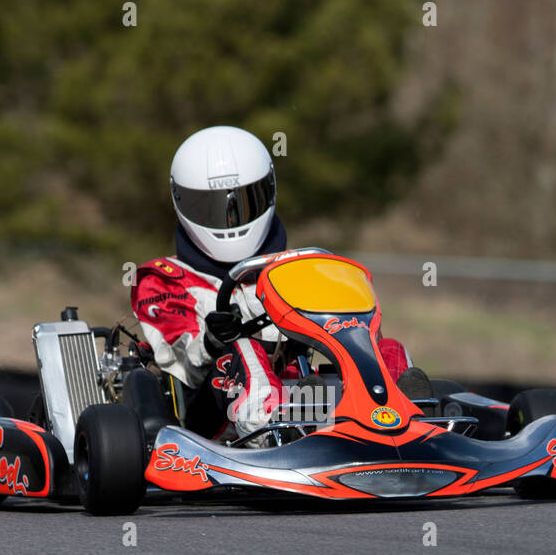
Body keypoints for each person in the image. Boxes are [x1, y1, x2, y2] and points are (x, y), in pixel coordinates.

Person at [131, 125, 414, 441]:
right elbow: (182, 363)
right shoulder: (162, 280)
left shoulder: (300, 268)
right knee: (243, 346)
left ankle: (409, 418)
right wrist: (211, 340)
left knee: (384, 349)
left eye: (245, 202)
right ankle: (275, 431)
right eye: (212, 208)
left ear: (268, 192)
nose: (231, 221)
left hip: (302, 392)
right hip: (208, 418)